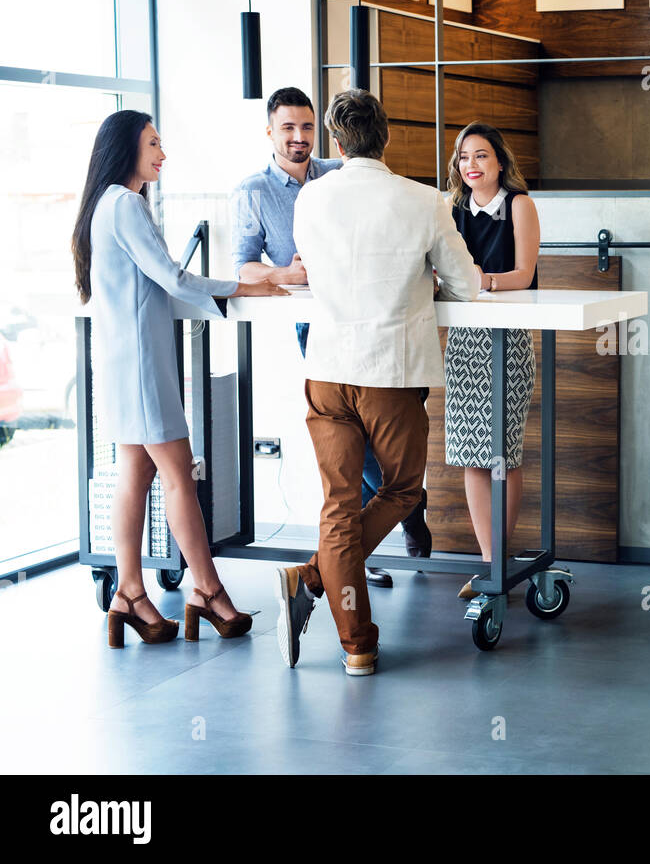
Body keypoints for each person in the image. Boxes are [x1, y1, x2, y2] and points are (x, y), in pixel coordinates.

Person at [274, 89, 479, 676]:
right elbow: (464, 286)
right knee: (402, 490)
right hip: (389, 372)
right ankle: (313, 578)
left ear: (336, 142)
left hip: (327, 369)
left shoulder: (311, 197)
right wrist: (426, 283)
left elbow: (311, 272)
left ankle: (356, 643)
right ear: (386, 138)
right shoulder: (424, 200)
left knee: (339, 505)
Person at [70, 109, 286, 648]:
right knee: (177, 476)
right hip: (143, 365)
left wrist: (233, 289)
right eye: (154, 144)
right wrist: (243, 287)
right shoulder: (125, 204)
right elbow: (171, 276)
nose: (163, 154)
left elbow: (156, 284)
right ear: (127, 149)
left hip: (124, 360)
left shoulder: (106, 205)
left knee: (136, 475)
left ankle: (130, 596)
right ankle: (208, 592)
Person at [231, 85, 413, 588]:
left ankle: (373, 530)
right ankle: (385, 525)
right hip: (317, 323)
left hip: (371, 316)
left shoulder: (339, 173)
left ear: (324, 132)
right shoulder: (252, 191)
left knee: (370, 433)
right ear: (269, 132)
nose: (298, 137)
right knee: (348, 441)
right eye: (288, 128)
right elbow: (243, 265)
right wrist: (286, 275)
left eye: (307, 127)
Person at [442, 123, 541, 600]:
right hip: (463, 343)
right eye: (464, 157)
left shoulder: (519, 205)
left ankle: (500, 561)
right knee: (470, 453)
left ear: (500, 161)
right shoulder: (452, 208)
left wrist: (486, 281)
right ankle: (488, 564)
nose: (471, 166)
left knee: (503, 452)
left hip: (506, 339)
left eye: (481, 156)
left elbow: (526, 273)